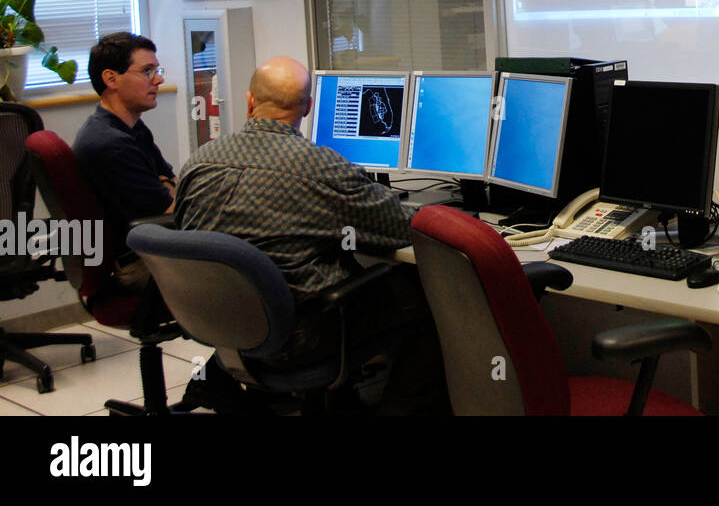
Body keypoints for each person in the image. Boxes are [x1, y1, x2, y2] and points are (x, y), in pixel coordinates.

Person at [174, 56, 446, 414]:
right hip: (298, 339)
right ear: (309, 107)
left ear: (250, 101)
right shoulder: (320, 167)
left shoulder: (198, 161)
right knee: (430, 298)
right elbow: (400, 229)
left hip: (219, 325)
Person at [73, 32, 174, 291]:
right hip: (138, 262)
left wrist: (165, 184)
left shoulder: (131, 128)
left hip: (154, 245)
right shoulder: (110, 144)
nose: (159, 79)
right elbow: (171, 210)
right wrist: (165, 186)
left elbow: (170, 182)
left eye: (157, 70)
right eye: (147, 71)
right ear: (111, 78)